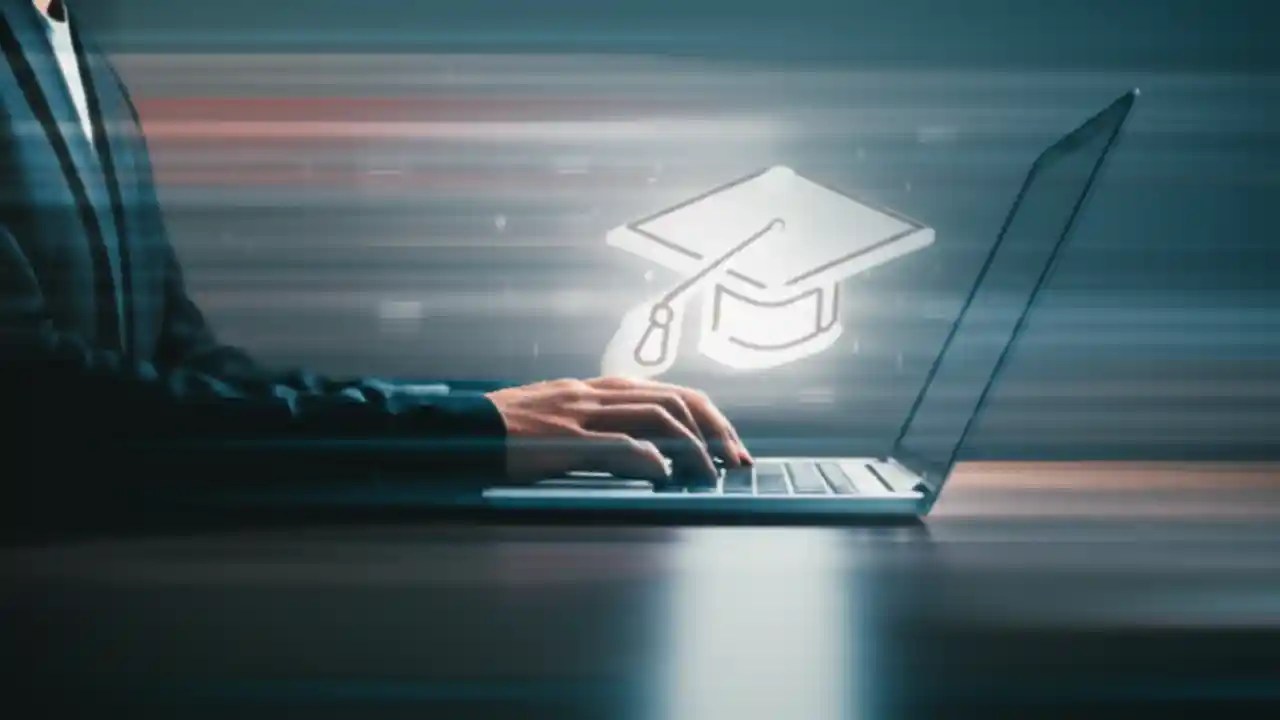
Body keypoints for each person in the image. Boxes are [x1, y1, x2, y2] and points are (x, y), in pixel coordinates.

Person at [0, 0, 751, 514]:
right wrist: (467, 430)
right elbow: (43, 402)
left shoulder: (83, 60)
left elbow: (184, 371)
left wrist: (508, 410)